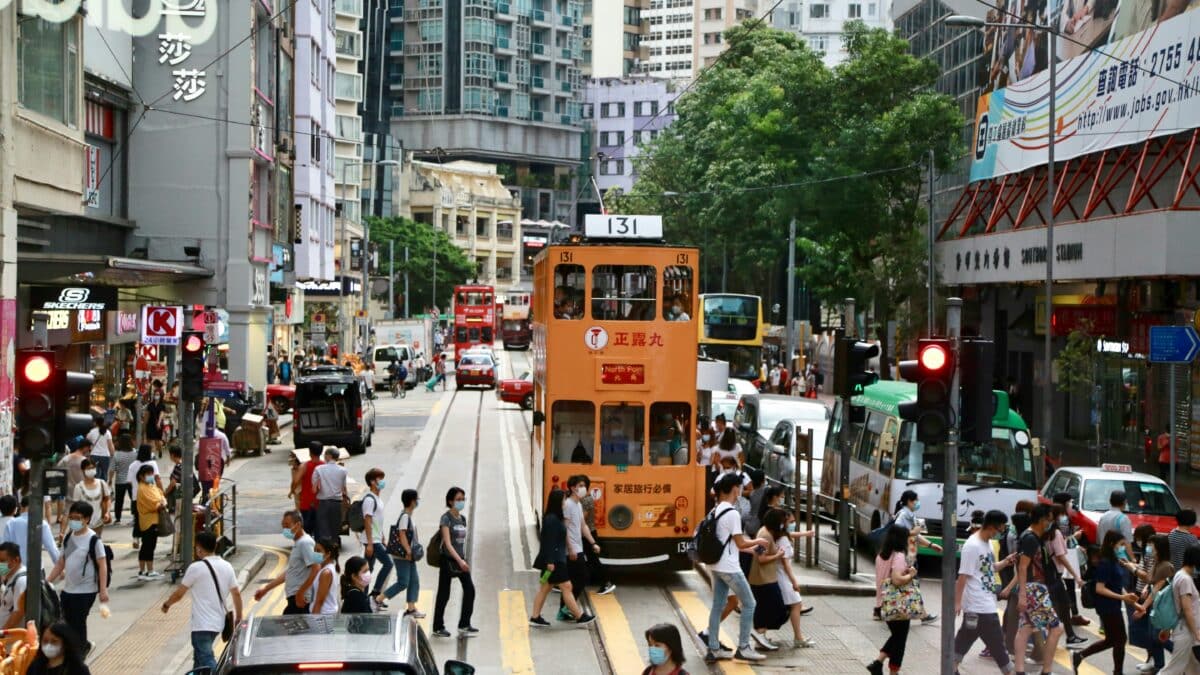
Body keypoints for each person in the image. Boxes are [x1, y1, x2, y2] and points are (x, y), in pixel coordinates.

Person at [704, 472, 770, 663]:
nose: (741, 491)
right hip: (729, 567)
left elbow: (730, 542)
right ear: (734, 489)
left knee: (718, 606)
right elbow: (740, 543)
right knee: (750, 603)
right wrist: (758, 541)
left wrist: (751, 549)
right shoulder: (732, 513)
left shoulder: (715, 510)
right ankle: (743, 647)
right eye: (739, 488)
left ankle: (713, 648)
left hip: (715, 565)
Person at [161, 532, 243, 672]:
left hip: (202, 625)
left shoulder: (195, 568)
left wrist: (167, 604)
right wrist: (239, 616)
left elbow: (179, 594)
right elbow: (236, 593)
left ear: (199, 549)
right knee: (199, 659)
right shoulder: (227, 566)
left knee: (206, 659)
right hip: (219, 623)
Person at [953, 509, 1018, 672]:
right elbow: (962, 576)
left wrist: (1005, 562)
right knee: (998, 647)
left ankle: (950, 668)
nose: (1000, 533)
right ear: (991, 526)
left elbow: (989, 568)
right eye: (1000, 529)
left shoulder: (987, 543)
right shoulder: (972, 546)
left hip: (984, 602)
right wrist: (957, 602)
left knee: (962, 642)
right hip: (980, 605)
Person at [1008, 504, 1065, 675]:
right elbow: (1023, 567)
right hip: (1035, 589)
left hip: (1032, 588)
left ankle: (1019, 670)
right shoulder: (1031, 538)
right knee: (1056, 628)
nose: (1051, 523)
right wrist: (1023, 595)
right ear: (1042, 519)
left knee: (1025, 628)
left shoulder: (1029, 536)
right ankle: (1046, 671)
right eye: (1049, 519)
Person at [1072, 530, 1140, 674]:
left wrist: (1133, 602)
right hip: (1107, 606)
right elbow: (1100, 588)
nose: (1123, 547)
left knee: (1112, 640)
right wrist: (1123, 598)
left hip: (1113, 605)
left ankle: (1079, 655)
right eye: (1121, 544)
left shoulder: (1113, 559)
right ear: (1111, 544)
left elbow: (1117, 584)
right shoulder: (1105, 563)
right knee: (1120, 639)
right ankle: (1117, 671)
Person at [529, 489, 596, 627]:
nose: (565, 502)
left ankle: (535, 617)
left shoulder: (554, 518)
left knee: (545, 588)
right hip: (554, 561)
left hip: (556, 559)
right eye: (564, 500)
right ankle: (579, 616)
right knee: (566, 586)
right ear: (558, 502)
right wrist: (549, 561)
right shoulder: (551, 520)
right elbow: (548, 542)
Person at [46, 501, 108, 650]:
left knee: (78, 621)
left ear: (87, 519)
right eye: (72, 517)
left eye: (78, 518)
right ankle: (81, 645)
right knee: (67, 621)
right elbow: (61, 563)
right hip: (69, 590)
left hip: (86, 591)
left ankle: (80, 651)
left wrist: (103, 590)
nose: (74, 521)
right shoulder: (70, 538)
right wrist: (47, 581)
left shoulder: (93, 540)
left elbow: (102, 565)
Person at [870, 524, 917, 675]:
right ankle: (891, 671)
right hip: (898, 603)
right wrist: (911, 574)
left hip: (883, 603)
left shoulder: (881, 555)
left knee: (897, 636)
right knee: (900, 640)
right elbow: (897, 580)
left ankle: (877, 663)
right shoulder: (898, 556)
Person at [432, 487, 477, 638]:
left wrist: (463, 558)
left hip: (460, 560)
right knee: (444, 594)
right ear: (450, 501)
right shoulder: (446, 518)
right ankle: (438, 626)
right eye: (458, 499)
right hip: (449, 560)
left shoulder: (462, 519)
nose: (461, 502)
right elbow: (448, 543)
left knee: (470, 590)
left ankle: (464, 624)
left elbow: (461, 542)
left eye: (463, 499)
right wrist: (460, 560)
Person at [254, 510, 319, 614]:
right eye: (283, 526)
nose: (285, 529)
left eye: (287, 525)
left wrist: (301, 592)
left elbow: (316, 568)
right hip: (294, 599)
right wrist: (265, 589)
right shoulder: (299, 543)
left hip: (299, 600)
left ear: (298, 525)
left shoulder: (305, 543)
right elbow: (290, 572)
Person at [748, 508, 790, 652]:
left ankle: (761, 636)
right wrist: (777, 555)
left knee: (764, 608)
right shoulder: (765, 535)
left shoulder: (765, 532)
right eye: (782, 522)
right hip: (763, 578)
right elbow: (761, 558)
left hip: (765, 577)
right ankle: (760, 634)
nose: (784, 525)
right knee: (775, 608)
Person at [1129, 534, 1173, 673]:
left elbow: (1156, 589)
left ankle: (1183, 654)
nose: (1149, 549)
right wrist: (1145, 588)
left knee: (1158, 637)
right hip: (1154, 606)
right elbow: (1150, 581)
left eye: (1151, 546)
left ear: (1159, 548)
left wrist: (1143, 607)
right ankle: (1159, 665)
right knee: (1152, 637)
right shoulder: (1156, 562)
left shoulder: (1166, 566)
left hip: (1162, 607)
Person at [558, 475, 596, 621]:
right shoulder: (568, 505)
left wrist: (593, 543)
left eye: (584, 485)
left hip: (577, 547)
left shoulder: (578, 504)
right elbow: (565, 529)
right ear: (573, 488)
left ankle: (564, 609)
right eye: (580, 485)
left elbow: (583, 526)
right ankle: (567, 608)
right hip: (572, 550)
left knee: (573, 581)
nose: (583, 488)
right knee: (581, 578)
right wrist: (571, 548)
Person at [381, 489, 424, 617]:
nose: (418, 502)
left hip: (408, 555)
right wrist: (408, 551)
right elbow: (402, 534)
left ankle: (411, 608)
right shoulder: (405, 516)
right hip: (403, 555)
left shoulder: (408, 515)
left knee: (414, 581)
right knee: (403, 582)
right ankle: (378, 599)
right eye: (417, 499)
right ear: (412, 501)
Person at [1159, 544, 1200, 675]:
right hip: (1186, 630)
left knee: (1193, 669)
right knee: (1173, 669)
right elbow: (1187, 609)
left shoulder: (1179, 575)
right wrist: (1196, 632)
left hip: (1185, 629)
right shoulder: (1185, 579)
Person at [357, 468, 393, 605]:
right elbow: (367, 520)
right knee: (388, 563)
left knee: (368, 570)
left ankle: (363, 598)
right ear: (372, 482)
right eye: (380, 479)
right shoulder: (370, 499)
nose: (382, 481)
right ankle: (376, 593)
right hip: (371, 540)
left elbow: (377, 520)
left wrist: (383, 536)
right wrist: (371, 543)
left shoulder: (378, 499)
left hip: (376, 539)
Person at [578, 475, 615, 595]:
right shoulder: (582, 499)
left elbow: (581, 519)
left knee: (593, 560)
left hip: (588, 533)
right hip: (584, 533)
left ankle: (606, 583)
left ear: (587, 487)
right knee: (584, 559)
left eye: (582, 486)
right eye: (579, 485)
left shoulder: (586, 500)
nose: (580, 488)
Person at [4, 496, 60, 565]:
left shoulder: (10, 524)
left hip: (16, 569)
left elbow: (5, 548)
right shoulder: (42, 523)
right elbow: (52, 548)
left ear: (21, 507)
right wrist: (60, 568)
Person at [134, 464, 166, 579]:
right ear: (141, 476)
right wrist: (161, 502)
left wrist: (162, 500)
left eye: (151, 473)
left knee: (147, 546)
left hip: (152, 520)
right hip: (149, 521)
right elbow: (154, 503)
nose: (151, 476)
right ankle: (149, 570)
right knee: (149, 546)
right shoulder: (143, 488)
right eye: (148, 474)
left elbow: (160, 494)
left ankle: (143, 571)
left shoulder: (150, 486)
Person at [26, 621, 91, 675]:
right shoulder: (35, 667)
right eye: (45, 641)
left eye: (54, 641)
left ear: (65, 644)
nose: (49, 645)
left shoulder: (78, 670)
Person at [311, 447, 348, 543]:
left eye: (325, 455)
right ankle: (334, 549)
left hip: (323, 503)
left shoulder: (319, 469)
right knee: (335, 530)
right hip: (337, 504)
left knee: (324, 530)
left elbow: (314, 489)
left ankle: (326, 552)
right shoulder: (343, 470)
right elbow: (344, 489)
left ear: (328, 456)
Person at [70, 459, 110, 538]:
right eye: (88, 468)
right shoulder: (78, 487)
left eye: (93, 468)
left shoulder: (102, 483)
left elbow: (107, 499)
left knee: (96, 544)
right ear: (83, 470)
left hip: (98, 522)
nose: (91, 470)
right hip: (84, 524)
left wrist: (107, 512)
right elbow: (76, 507)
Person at [292, 442, 324, 536]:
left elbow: (295, 481)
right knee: (319, 526)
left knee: (307, 527)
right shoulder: (324, 465)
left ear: (309, 452)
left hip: (306, 502)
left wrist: (292, 490)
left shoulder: (304, 466)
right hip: (321, 501)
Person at [310, 538, 341, 616]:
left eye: (318, 551)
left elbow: (319, 601)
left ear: (328, 554)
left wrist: (313, 619)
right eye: (314, 550)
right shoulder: (324, 569)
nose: (315, 553)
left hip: (323, 616)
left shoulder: (326, 573)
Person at [110, 435, 137, 525]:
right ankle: (135, 517)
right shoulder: (135, 453)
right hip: (132, 481)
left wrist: (110, 480)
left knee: (119, 500)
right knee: (133, 499)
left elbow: (112, 469)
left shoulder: (116, 454)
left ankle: (118, 519)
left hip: (120, 480)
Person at [0, 542, 27, 630]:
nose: (0, 565)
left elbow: (18, 613)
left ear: (16, 560)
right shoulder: (12, 576)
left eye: (2, 561)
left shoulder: (21, 581)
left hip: (11, 638)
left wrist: (2, 633)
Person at [85, 417, 112, 482]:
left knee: (94, 473)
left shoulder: (92, 432)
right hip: (105, 456)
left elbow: (86, 441)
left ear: (95, 423)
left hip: (94, 455)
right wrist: (112, 454)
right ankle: (103, 488)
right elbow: (110, 445)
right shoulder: (107, 432)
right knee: (104, 474)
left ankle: (95, 488)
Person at [144, 387, 167, 457]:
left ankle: (159, 450)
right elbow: (147, 414)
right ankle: (152, 455)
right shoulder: (150, 405)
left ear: (161, 396)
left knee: (157, 441)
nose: (156, 396)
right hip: (150, 424)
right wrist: (145, 424)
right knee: (150, 441)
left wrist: (159, 423)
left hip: (158, 425)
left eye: (158, 394)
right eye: (155, 394)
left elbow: (161, 414)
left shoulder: (162, 405)